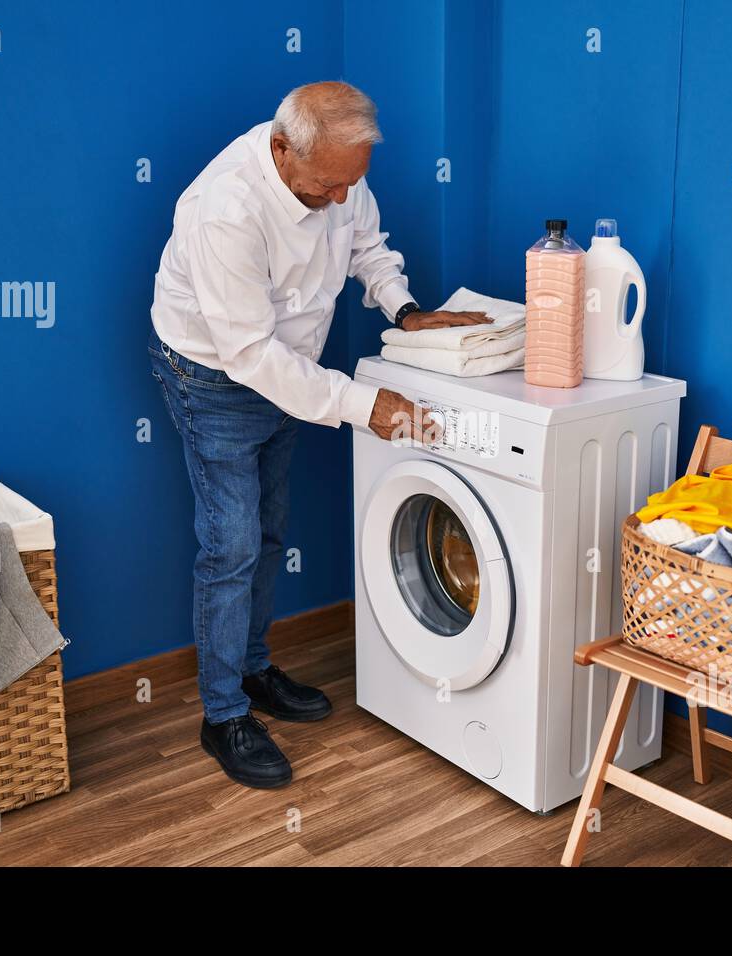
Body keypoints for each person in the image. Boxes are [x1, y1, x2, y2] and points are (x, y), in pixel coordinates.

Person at [148, 81, 490, 789]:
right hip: (214, 376)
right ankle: (223, 715)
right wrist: (362, 405)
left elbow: (367, 244)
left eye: (351, 183)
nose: (341, 199)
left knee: (268, 532)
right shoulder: (227, 210)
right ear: (281, 149)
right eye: (327, 186)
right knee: (232, 544)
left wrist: (405, 308)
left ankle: (253, 667)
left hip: (293, 372)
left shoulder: (336, 176)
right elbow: (249, 355)